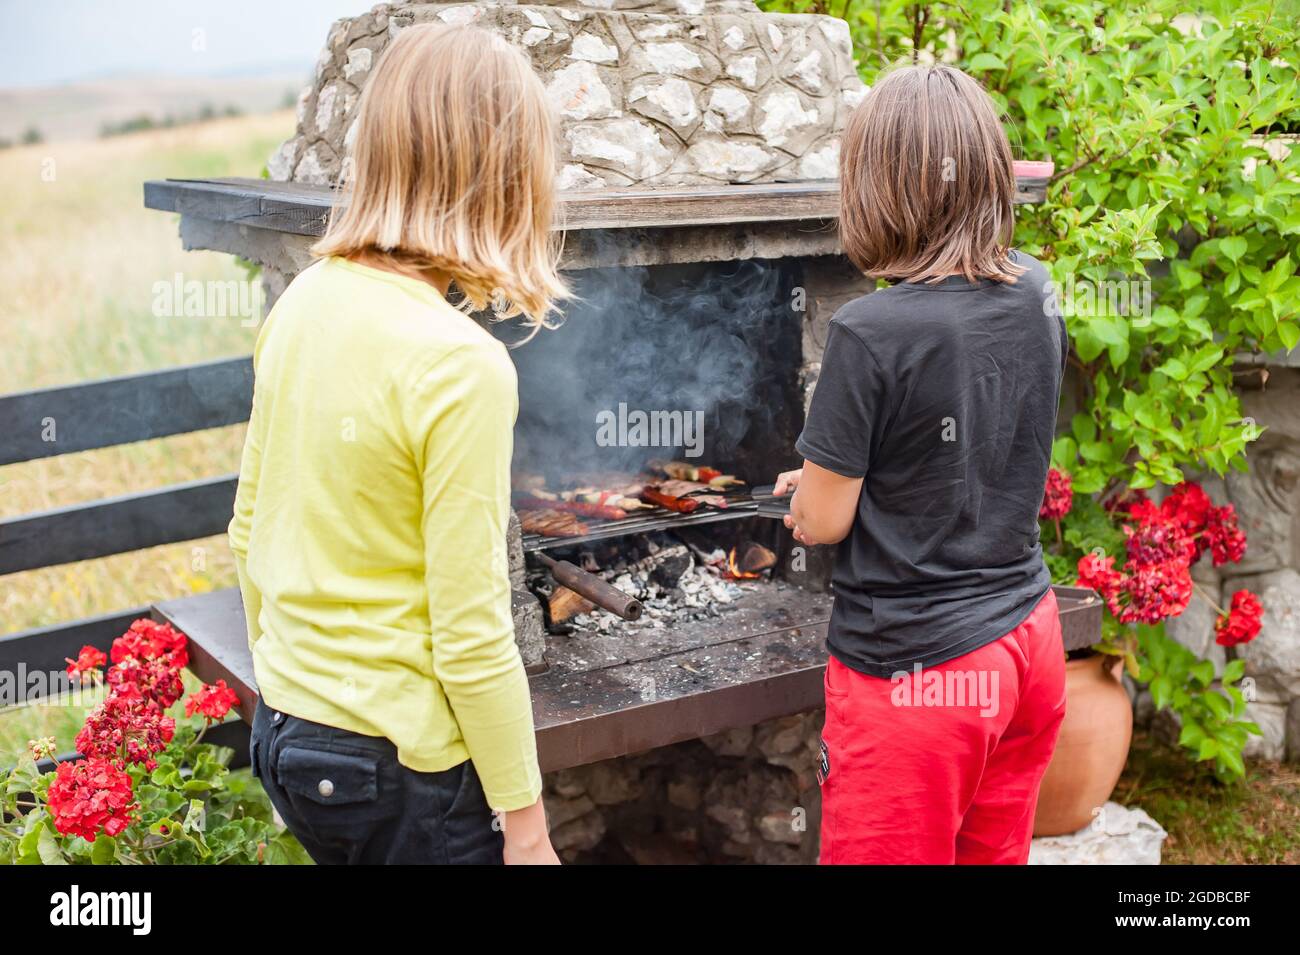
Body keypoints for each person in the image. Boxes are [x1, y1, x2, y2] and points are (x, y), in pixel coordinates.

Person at [229, 23, 567, 864]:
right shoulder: (462, 365)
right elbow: (471, 632)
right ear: (503, 177)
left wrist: (290, 698)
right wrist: (526, 829)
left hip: (290, 737)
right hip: (402, 772)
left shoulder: (302, 302)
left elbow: (246, 529)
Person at [774, 64, 1069, 865]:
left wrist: (808, 498)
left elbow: (823, 521)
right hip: (1026, 642)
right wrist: (837, 472)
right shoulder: (1037, 290)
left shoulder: (871, 330)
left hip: (919, 677)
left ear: (877, 186)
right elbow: (976, 445)